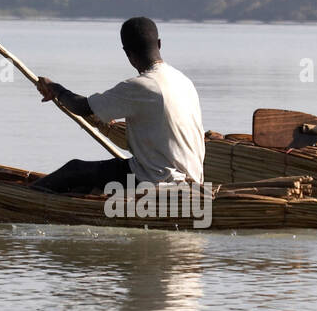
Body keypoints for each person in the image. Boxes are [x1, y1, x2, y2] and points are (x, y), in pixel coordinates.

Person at [30, 17, 204, 194]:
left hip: (156, 180)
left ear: (127, 52)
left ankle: (27, 200)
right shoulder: (184, 82)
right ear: (159, 44)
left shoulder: (141, 85)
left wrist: (55, 89)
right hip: (193, 177)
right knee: (88, 181)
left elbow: (82, 107)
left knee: (74, 169)